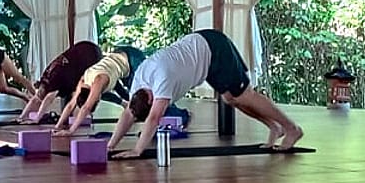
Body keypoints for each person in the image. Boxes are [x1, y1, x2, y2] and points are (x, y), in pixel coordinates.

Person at [108, 29, 302, 158]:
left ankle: (291, 128)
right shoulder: (138, 84)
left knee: (244, 94)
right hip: (202, 56)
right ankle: (275, 128)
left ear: (151, 97)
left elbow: (154, 118)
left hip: (214, 47)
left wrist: (137, 150)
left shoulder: (162, 80)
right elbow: (127, 114)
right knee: (230, 99)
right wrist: (110, 146)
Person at [53, 45, 146, 136]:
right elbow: (70, 105)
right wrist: (57, 127)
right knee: (118, 95)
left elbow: (86, 107)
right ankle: (126, 104)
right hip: (118, 59)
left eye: (96, 102)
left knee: (141, 95)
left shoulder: (99, 80)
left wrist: (70, 131)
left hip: (132, 58)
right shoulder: (83, 81)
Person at [21, 41, 103, 122]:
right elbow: (35, 99)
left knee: (82, 91)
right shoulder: (46, 78)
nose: (39, 94)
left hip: (90, 54)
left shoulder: (52, 82)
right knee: (73, 90)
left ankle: (84, 112)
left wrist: (37, 118)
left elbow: (48, 99)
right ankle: (74, 114)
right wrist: (21, 117)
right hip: (81, 54)